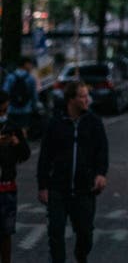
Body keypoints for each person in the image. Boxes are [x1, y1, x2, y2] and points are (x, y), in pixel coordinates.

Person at [37, 80, 108, 263]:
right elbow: (45, 156)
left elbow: (102, 151)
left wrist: (100, 174)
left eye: (87, 95)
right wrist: (43, 185)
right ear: (71, 100)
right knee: (56, 233)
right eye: (83, 96)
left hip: (85, 190)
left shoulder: (94, 122)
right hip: (58, 189)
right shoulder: (56, 123)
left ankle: (80, 255)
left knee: (85, 234)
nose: (87, 100)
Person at [0, 89, 30, 263]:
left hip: (7, 187)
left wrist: (17, 144)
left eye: (5, 110)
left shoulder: (12, 127)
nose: (3, 115)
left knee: (6, 232)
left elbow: (25, 154)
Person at [2, 58, 38, 135]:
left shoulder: (10, 77)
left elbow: (5, 92)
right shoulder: (31, 78)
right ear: (26, 64)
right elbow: (34, 96)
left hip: (11, 109)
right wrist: (34, 107)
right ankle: (23, 145)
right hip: (25, 109)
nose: (31, 66)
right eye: (30, 64)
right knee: (23, 130)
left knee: (11, 131)